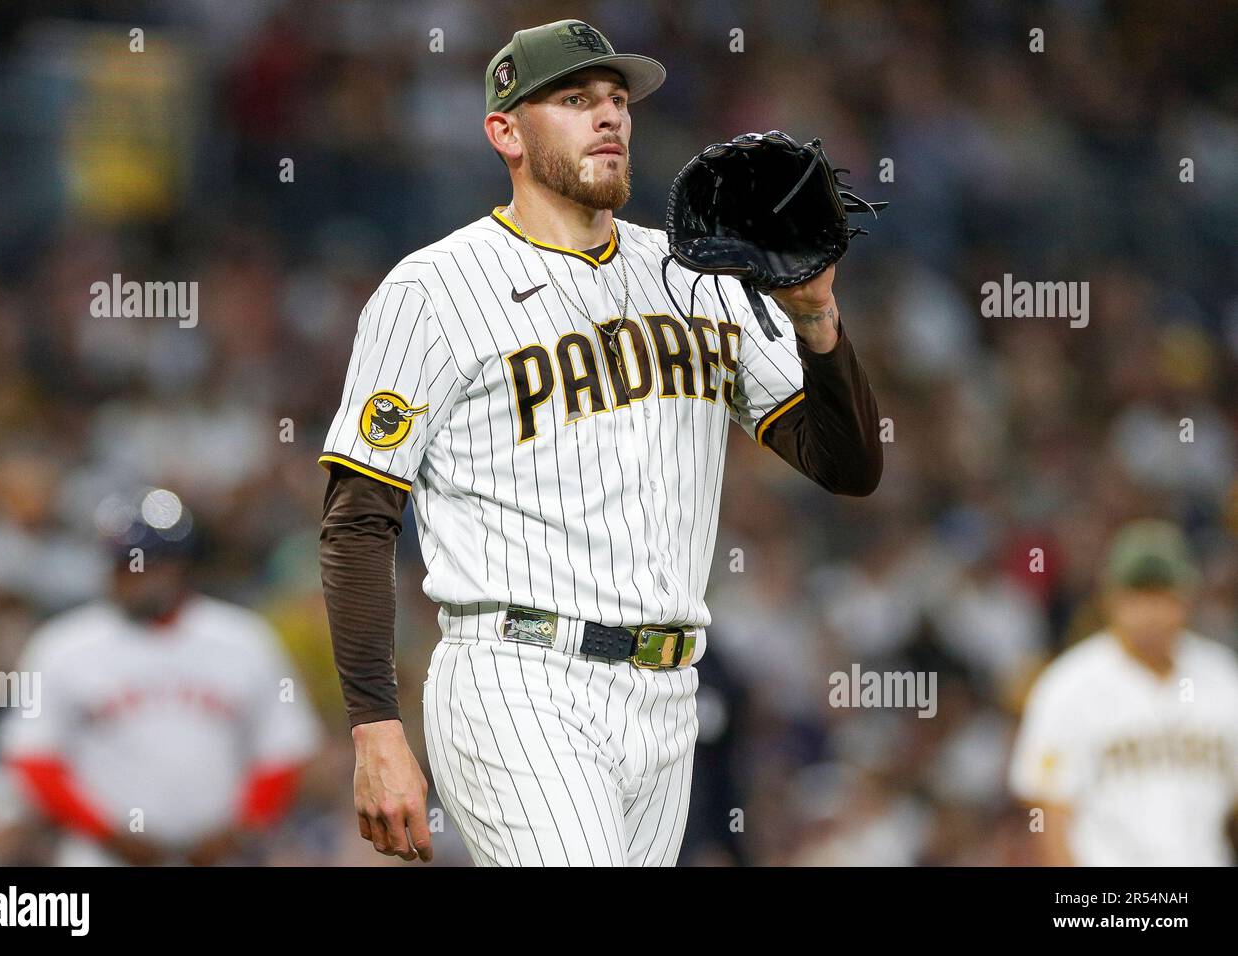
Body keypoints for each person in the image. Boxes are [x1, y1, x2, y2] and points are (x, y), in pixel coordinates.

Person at [318, 19, 882, 866]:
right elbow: (358, 518)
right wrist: (374, 728)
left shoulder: (694, 276)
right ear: (504, 132)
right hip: (518, 676)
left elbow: (848, 466)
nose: (609, 116)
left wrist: (814, 318)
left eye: (618, 100)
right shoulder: (433, 289)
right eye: (575, 100)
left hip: (667, 690)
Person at [0, 488, 321, 866]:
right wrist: (108, 835)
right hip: (105, 857)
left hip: (221, 856)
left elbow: (283, 749)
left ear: (180, 566)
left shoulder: (243, 639)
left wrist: (239, 831)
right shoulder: (63, 645)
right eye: (123, 563)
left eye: (150, 563)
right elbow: (34, 758)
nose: (135, 575)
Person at [1010, 519, 1238, 865]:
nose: (1150, 612)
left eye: (1162, 595)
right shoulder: (1069, 686)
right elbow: (1048, 813)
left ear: (1187, 598)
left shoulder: (1222, 677)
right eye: (1137, 595)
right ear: (1110, 599)